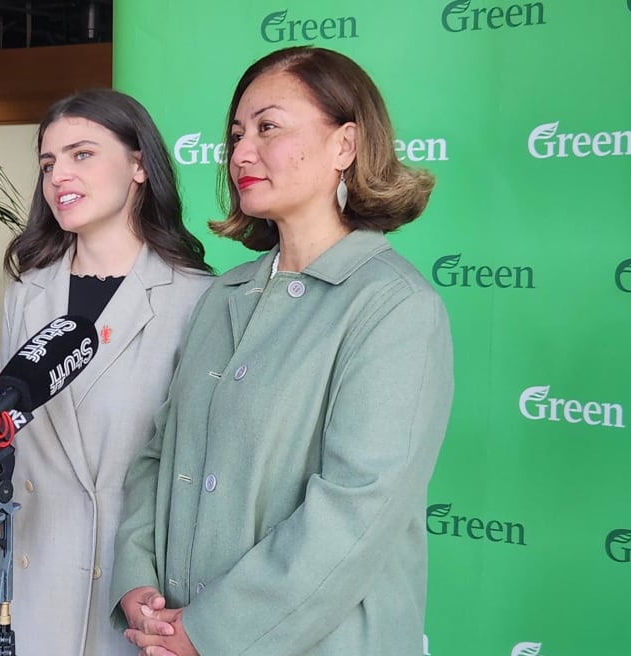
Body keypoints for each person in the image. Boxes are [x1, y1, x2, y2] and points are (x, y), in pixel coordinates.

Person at [110, 45, 455, 656]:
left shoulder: (394, 305)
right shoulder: (224, 296)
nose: (241, 151)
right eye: (237, 132)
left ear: (345, 146)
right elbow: (158, 455)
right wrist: (137, 580)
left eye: (268, 127)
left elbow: (357, 510)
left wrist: (210, 631)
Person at [0, 88, 214, 656]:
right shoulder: (27, 294)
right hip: (38, 568)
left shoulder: (199, 299)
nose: (58, 175)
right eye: (48, 163)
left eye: (82, 154)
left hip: (140, 588)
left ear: (139, 164)